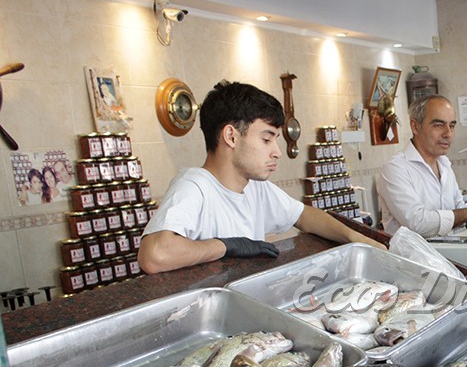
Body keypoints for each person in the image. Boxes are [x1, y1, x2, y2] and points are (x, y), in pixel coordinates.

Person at [138, 81, 384, 274]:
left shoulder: (255, 187)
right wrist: (226, 245)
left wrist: (356, 237)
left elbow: (304, 216)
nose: (276, 151)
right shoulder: (194, 186)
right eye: (266, 139)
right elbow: (154, 255)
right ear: (231, 136)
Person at [376, 94, 467, 237]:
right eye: (438, 125)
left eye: (451, 126)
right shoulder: (395, 169)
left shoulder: (444, 164)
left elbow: (459, 206)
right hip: (412, 258)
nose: (448, 134)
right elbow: (416, 222)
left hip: (449, 255)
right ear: (415, 126)